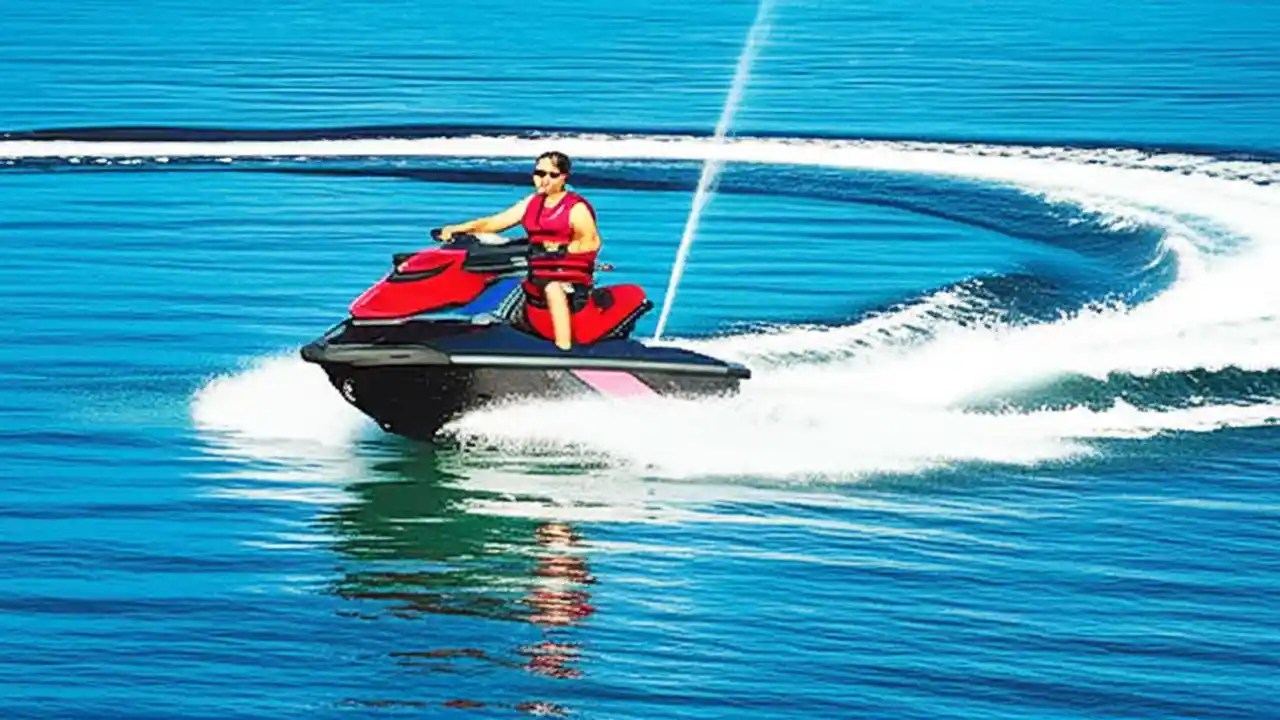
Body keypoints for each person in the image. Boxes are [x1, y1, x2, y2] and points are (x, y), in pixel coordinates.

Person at [438, 151, 602, 350]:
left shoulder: (576, 208)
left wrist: (560, 248)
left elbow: (591, 242)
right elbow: (494, 222)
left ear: (563, 177)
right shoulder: (532, 203)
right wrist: (457, 228)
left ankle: (564, 348)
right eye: (540, 174)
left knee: (553, 287)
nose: (544, 180)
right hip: (537, 270)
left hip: (567, 274)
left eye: (552, 175)